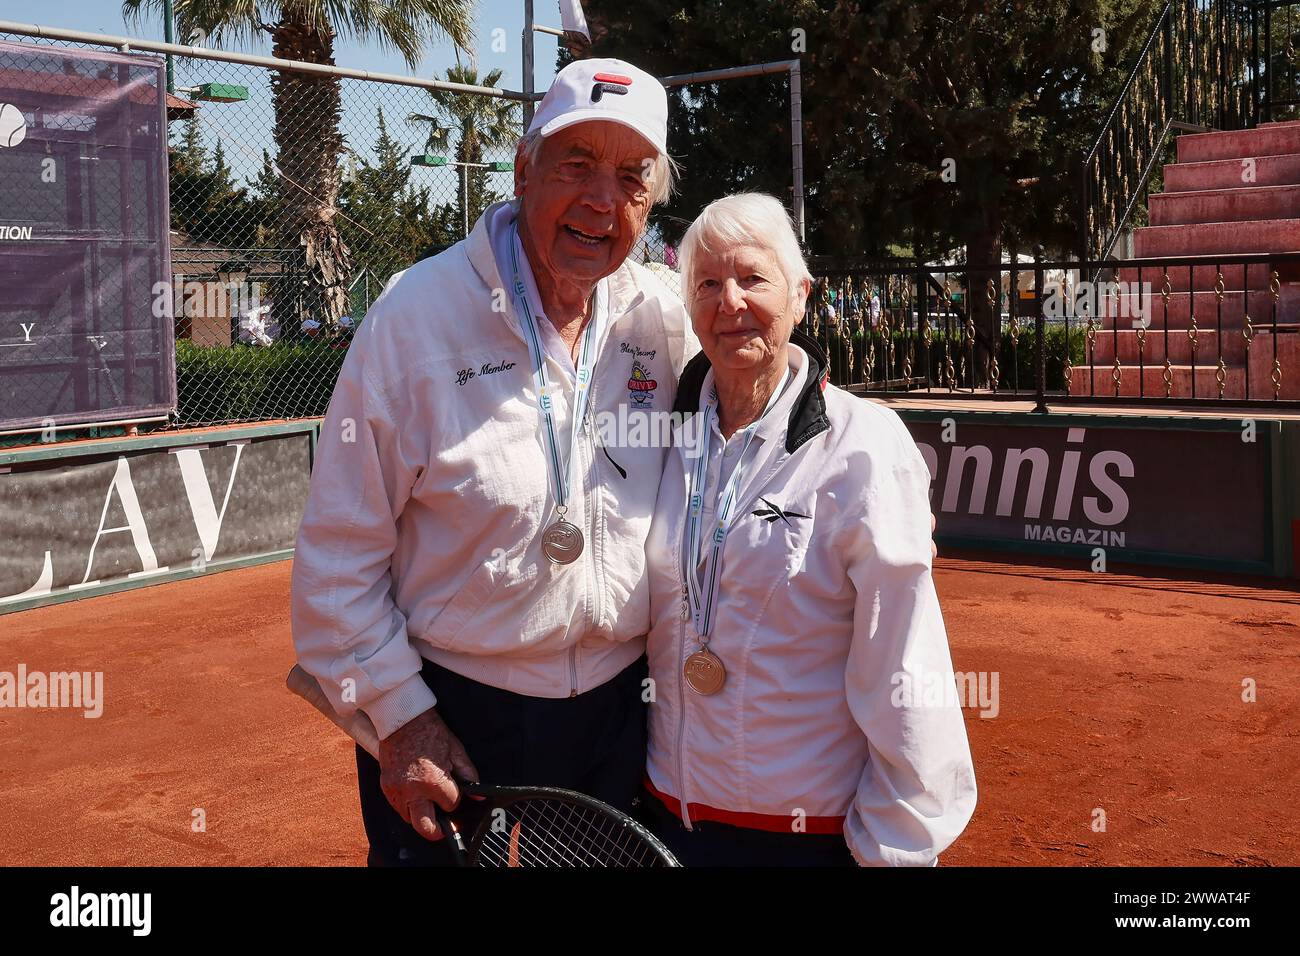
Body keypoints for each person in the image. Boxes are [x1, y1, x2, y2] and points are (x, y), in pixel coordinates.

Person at [289, 58, 696, 866]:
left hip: (620, 720)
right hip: (452, 716)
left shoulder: (664, 318)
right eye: (576, 164)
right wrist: (401, 718)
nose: (601, 201)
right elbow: (337, 560)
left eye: (630, 177)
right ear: (522, 168)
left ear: (650, 202)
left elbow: (765, 396)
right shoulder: (415, 316)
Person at [639, 193, 976, 865]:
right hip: (662, 818)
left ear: (801, 295)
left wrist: (897, 850)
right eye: (707, 282)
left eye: (752, 278)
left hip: (800, 835)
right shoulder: (656, 439)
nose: (729, 301)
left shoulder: (865, 446)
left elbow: (903, 661)